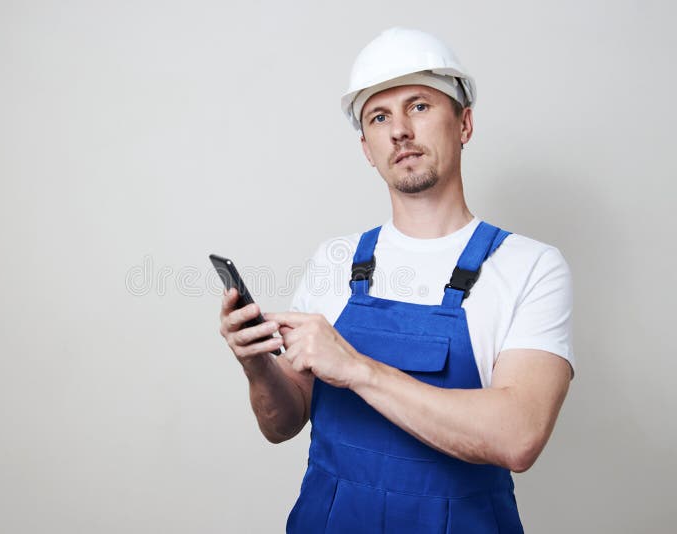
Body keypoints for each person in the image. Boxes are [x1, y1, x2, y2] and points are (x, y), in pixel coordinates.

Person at [218, 27, 573, 533]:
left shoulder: (530, 266)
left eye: (420, 106)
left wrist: (356, 368)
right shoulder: (334, 260)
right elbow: (283, 423)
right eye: (379, 117)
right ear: (367, 147)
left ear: (465, 123)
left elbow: (518, 436)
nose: (400, 130)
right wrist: (257, 366)